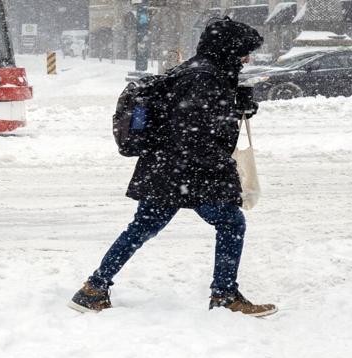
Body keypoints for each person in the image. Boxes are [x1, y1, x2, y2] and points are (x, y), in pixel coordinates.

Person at [72, 18, 275, 317]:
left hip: (167, 169)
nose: (247, 59)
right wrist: (224, 167)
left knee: (143, 227)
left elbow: (198, 121)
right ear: (228, 49)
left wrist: (236, 106)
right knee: (231, 223)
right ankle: (224, 295)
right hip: (187, 172)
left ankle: (94, 288)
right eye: (244, 51)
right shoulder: (204, 78)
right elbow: (192, 132)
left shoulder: (199, 71)